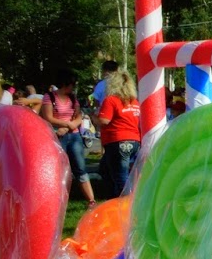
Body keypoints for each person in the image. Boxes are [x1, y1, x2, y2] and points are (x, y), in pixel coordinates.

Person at [41, 81, 96, 205]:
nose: (73, 87)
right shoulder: (49, 97)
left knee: (80, 167)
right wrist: (67, 124)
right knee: (59, 169)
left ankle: (91, 200)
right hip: (58, 136)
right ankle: (57, 201)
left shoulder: (72, 98)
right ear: (65, 84)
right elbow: (48, 117)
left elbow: (78, 116)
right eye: (72, 84)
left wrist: (70, 126)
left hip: (74, 135)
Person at [92, 69, 141, 198]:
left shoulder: (111, 100)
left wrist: (93, 118)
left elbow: (104, 120)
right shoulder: (134, 102)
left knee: (121, 178)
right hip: (134, 140)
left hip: (117, 140)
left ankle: (125, 203)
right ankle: (115, 198)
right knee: (106, 170)